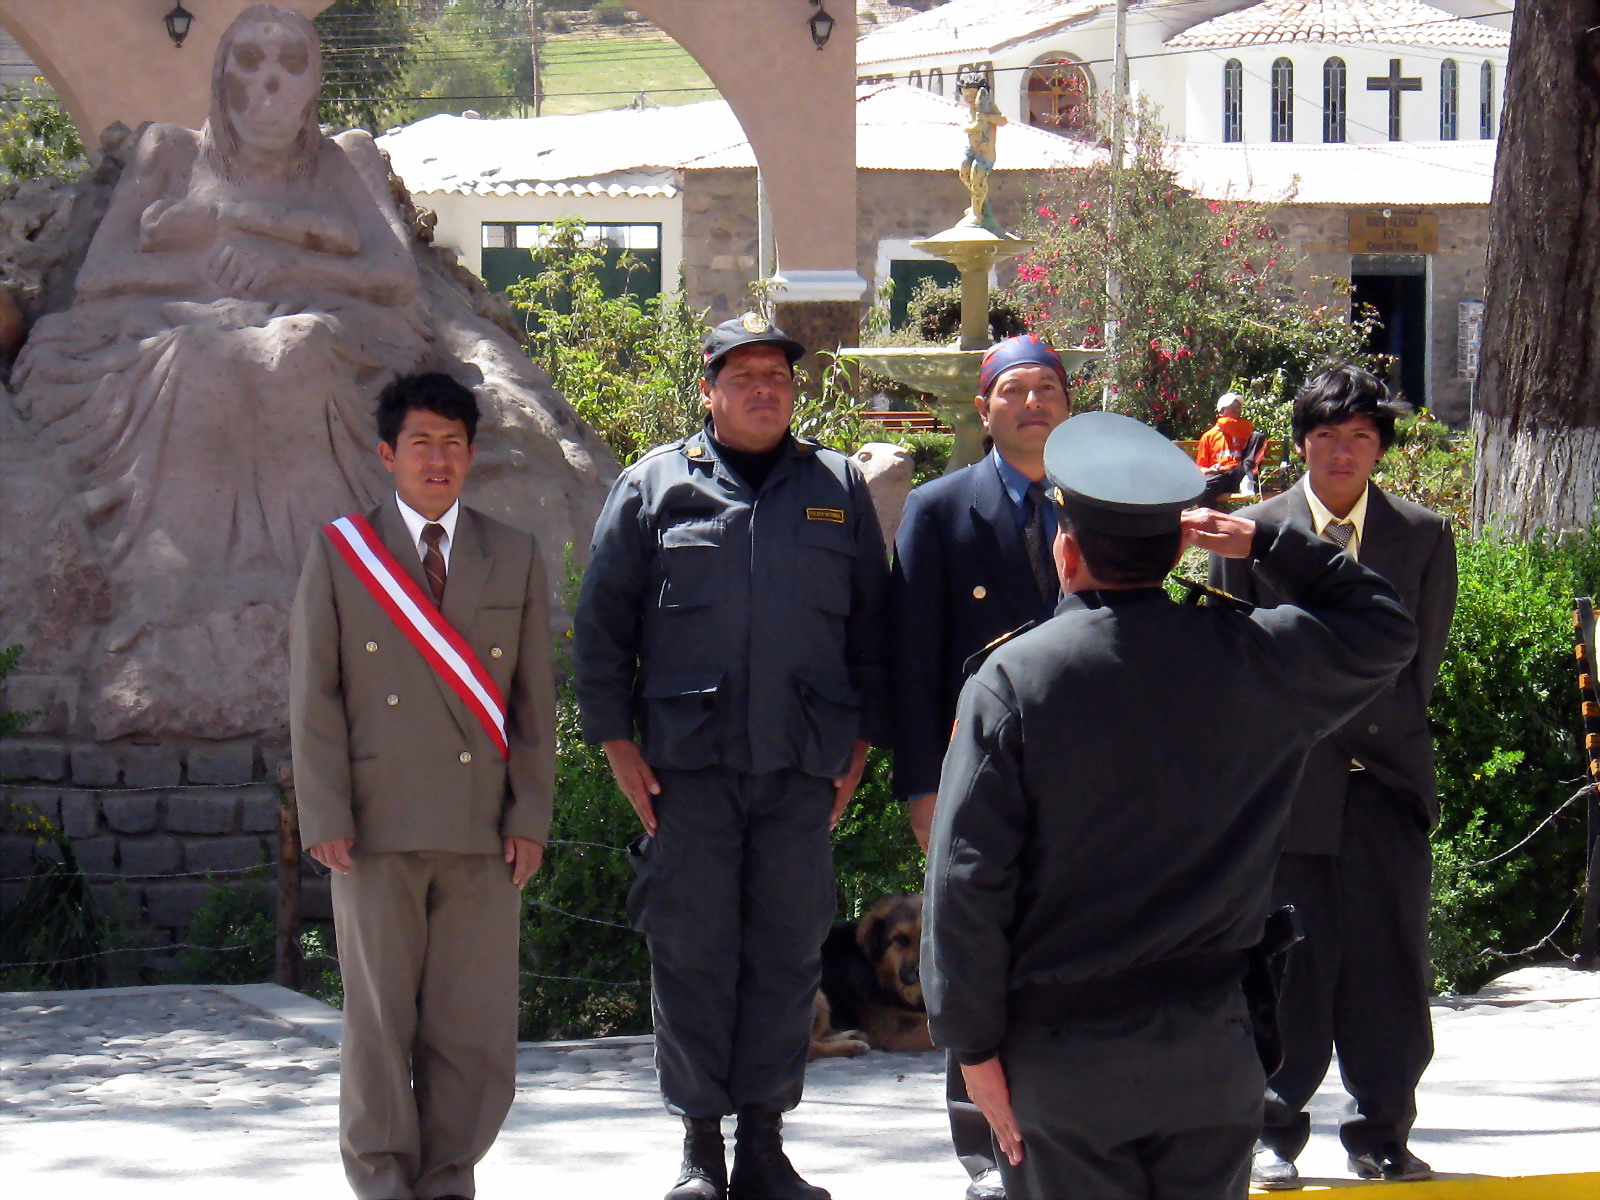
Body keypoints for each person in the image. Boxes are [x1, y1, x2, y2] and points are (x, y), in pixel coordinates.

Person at [922, 410, 1418, 1200]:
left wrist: (972, 1048)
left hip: (1062, 1058)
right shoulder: (1258, 658)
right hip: (1211, 1050)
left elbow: (968, 882)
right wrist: (1264, 540)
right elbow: (1387, 627)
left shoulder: (1015, 681)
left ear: (1067, 549)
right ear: (1182, 543)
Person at [572, 313, 889, 1200]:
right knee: (692, 956)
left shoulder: (836, 486)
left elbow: (872, 628)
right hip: (689, 774)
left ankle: (765, 1144)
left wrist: (860, 743)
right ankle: (700, 1149)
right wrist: (617, 745)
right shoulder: (654, 488)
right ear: (708, 390)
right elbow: (601, 631)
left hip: (800, 771)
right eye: (742, 375)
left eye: (777, 376)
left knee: (787, 958)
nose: (763, 389)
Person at [290, 372, 556, 1200]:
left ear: (471, 455)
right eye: (420, 443)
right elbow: (315, 693)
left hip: (482, 830)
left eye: (453, 443)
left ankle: (449, 1179)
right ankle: (380, 1182)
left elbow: (533, 706)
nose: (437, 460)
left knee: (471, 1031)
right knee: (377, 1028)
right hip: (375, 827)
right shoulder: (343, 553)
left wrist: (532, 817)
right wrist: (325, 811)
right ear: (387, 454)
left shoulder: (511, 554)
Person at [1211, 365, 1458, 1189]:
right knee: (1288, 961)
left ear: (1380, 448)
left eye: (1359, 438)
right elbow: (1233, 660)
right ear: (1301, 443)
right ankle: (1272, 1128)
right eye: (1325, 437)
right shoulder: (1254, 529)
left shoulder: (1422, 533)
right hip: (1287, 786)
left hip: (1384, 783)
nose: (1342, 453)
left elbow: (1416, 663)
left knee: (1390, 963)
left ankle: (1382, 1128)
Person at [889, 334, 1073, 1200]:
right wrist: (922, 785)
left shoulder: (1096, 501)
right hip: (976, 775)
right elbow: (912, 660)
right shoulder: (938, 508)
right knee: (973, 951)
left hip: (1084, 781)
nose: (1032, 405)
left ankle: (1065, 1129)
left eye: (1047, 389)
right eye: (1015, 392)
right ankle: (981, 1147)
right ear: (984, 407)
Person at [1196, 392, 1262, 506]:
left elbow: (1254, 447)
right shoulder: (1209, 436)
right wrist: (1210, 470)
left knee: (1258, 436)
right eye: (1232, 408)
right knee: (1203, 489)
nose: (1237, 410)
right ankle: (1211, 521)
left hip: (1240, 473)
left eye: (1238, 407)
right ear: (1221, 412)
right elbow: (1200, 467)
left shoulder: (1245, 429)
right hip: (1220, 476)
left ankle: (1248, 479)